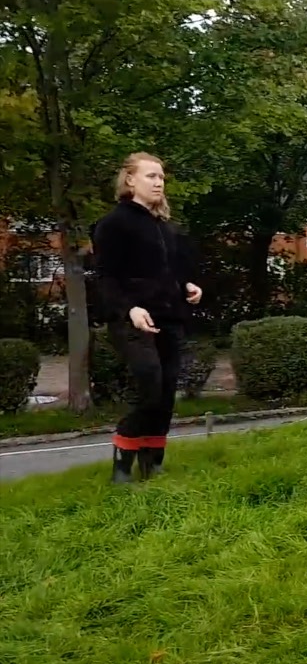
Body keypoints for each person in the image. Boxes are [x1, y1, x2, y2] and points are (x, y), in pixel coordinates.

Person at [92, 152, 203, 484]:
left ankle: (153, 464)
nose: (159, 182)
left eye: (161, 177)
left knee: (167, 391)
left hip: (170, 318)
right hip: (133, 319)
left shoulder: (165, 228)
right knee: (150, 384)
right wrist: (130, 308)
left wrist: (190, 286)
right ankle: (122, 466)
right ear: (130, 180)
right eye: (151, 176)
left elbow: (174, 271)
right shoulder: (113, 224)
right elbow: (106, 277)